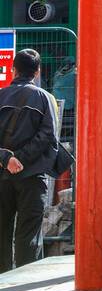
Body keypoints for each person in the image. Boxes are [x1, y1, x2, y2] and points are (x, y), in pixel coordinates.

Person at [0, 49, 59, 273]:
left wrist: (7, 159)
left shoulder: (0, 96)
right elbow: (48, 137)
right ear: (37, 71)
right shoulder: (45, 98)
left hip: (2, 175)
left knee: (1, 231)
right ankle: (25, 284)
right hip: (32, 176)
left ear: (13, 70)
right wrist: (21, 159)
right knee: (29, 233)